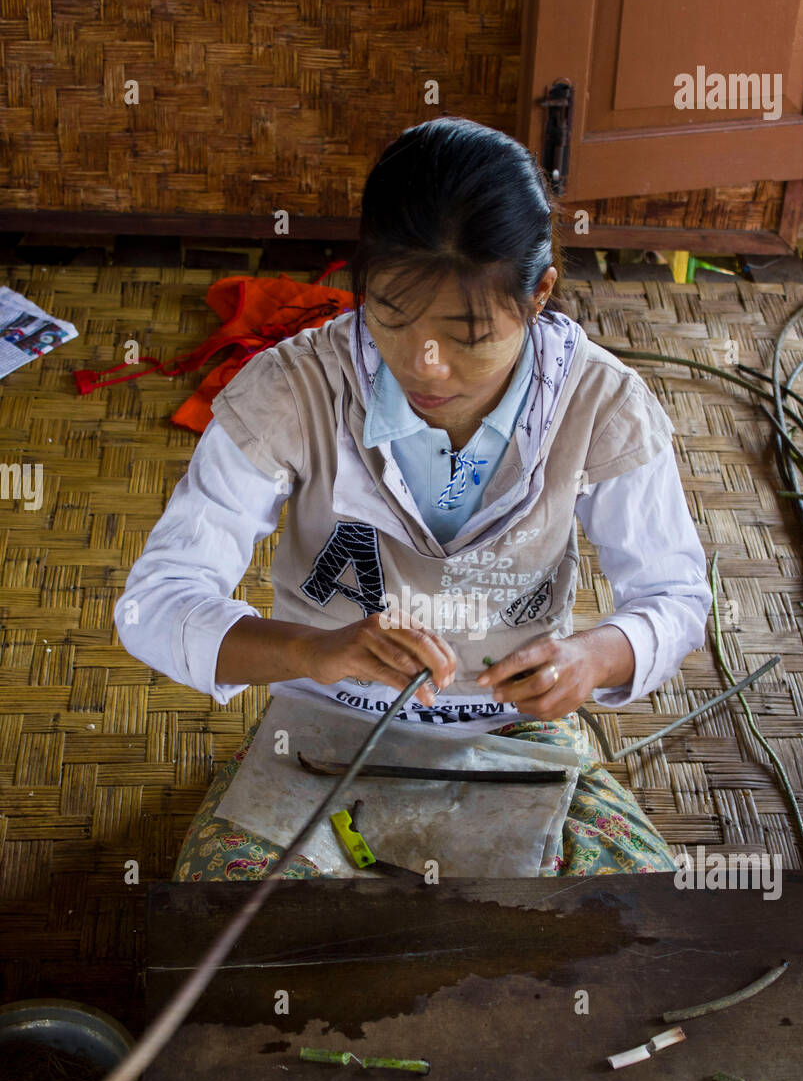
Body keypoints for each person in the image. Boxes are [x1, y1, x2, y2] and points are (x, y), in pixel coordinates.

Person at [115, 116, 712, 881]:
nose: (427, 369)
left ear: (539, 296)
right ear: (362, 284)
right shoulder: (292, 390)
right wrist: (313, 650)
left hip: (510, 733)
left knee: (641, 921)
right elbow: (153, 605)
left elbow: (675, 595)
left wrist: (592, 657)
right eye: (393, 320)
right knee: (244, 939)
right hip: (326, 729)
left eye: (470, 336)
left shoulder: (600, 404)